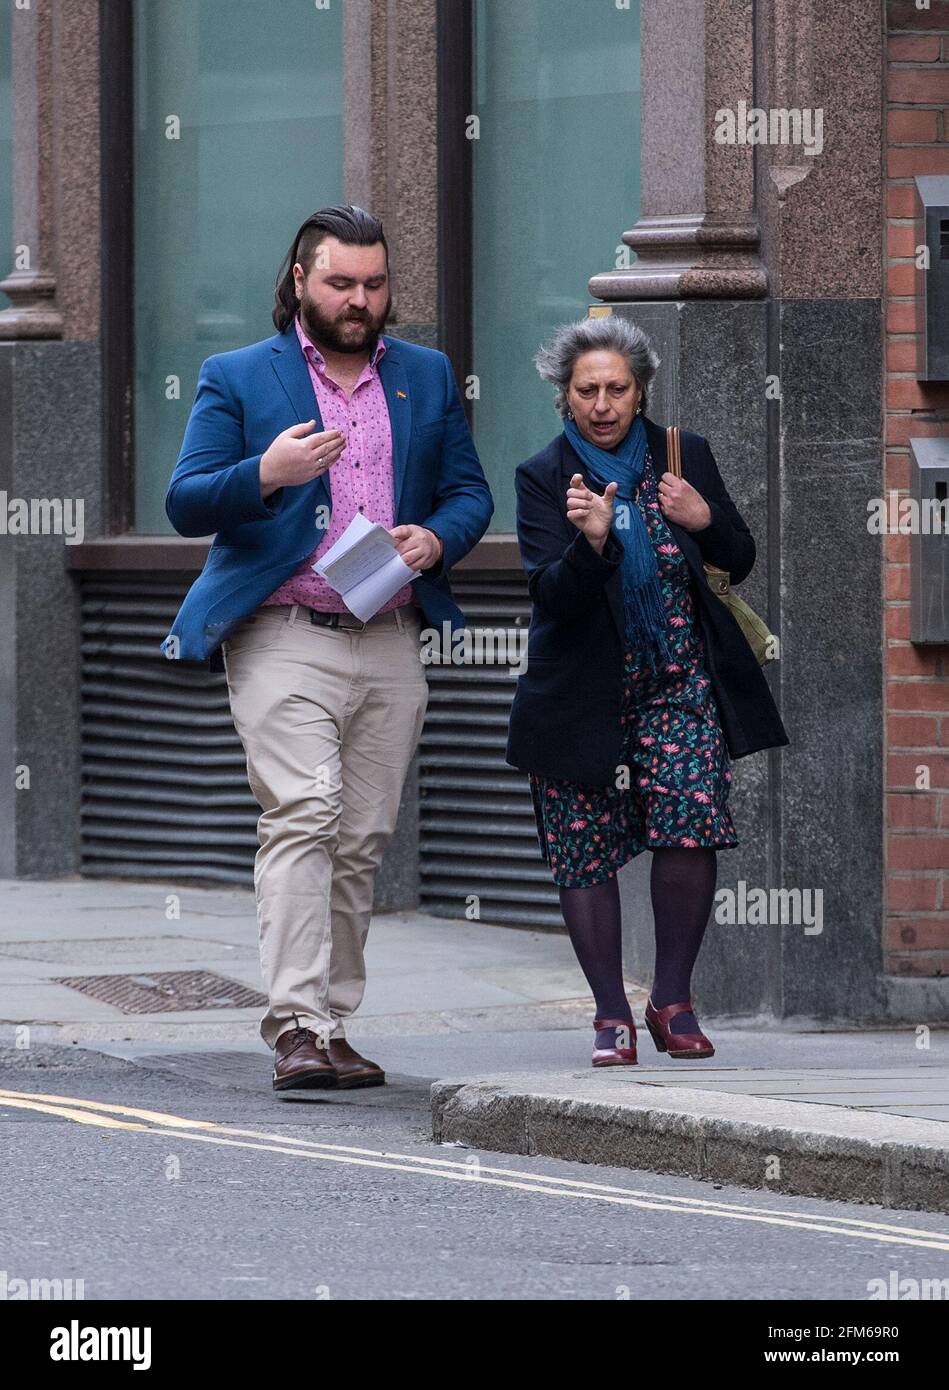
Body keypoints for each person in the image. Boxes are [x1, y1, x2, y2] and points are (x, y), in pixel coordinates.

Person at [162, 205, 493, 1091]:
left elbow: (469, 493)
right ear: (299, 281)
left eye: (374, 284)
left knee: (361, 835)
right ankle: (295, 1025)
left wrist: (434, 540)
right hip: (283, 630)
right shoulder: (237, 376)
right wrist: (265, 473)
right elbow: (188, 501)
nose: (359, 300)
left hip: (385, 631)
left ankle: (332, 1022)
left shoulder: (422, 375)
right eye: (341, 283)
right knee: (303, 814)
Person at [505, 316, 788, 1067]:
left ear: (640, 392)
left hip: (678, 680)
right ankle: (609, 1015)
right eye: (586, 390)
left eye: (616, 389)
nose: (602, 404)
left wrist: (703, 519)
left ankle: (672, 1000)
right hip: (581, 690)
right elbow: (553, 596)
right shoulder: (543, 476)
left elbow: (737, 555)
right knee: (583, 851)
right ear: (563, 398)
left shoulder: (680, 454)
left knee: (690, 821)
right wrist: (592, 542)